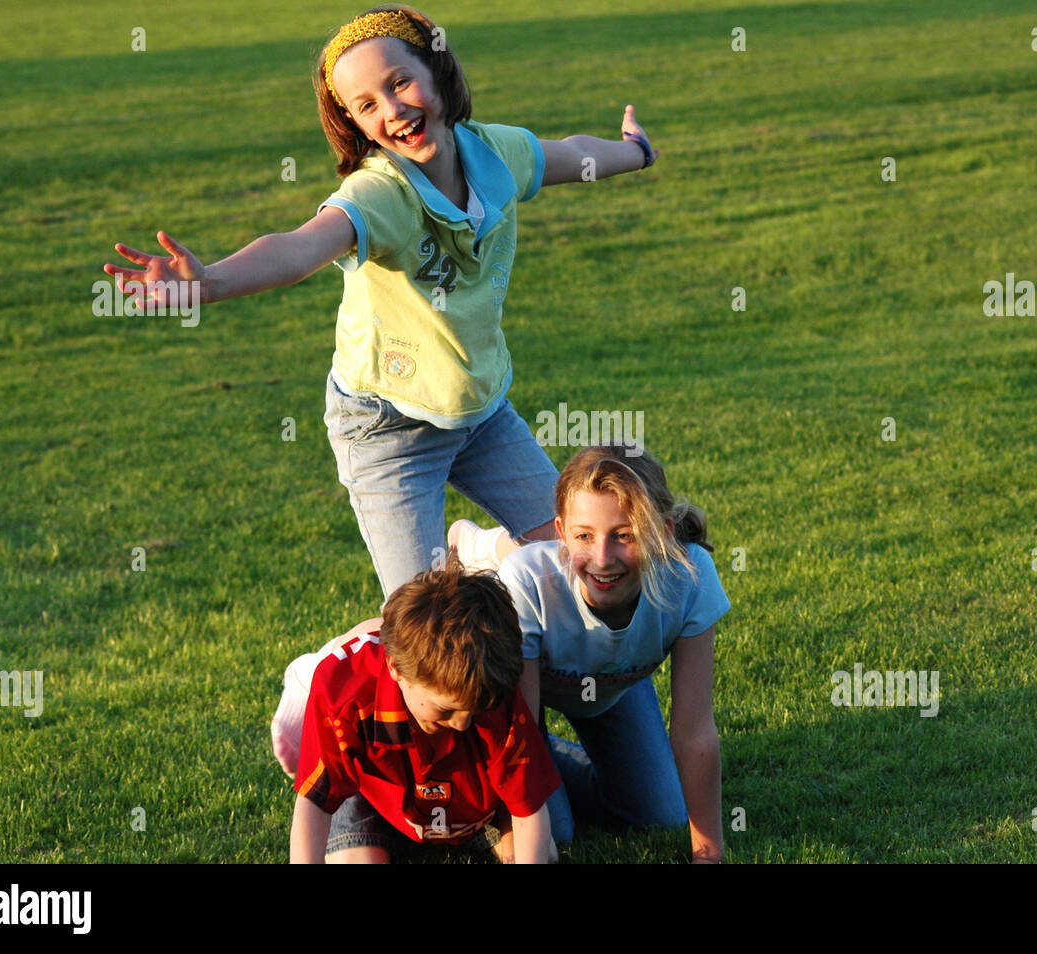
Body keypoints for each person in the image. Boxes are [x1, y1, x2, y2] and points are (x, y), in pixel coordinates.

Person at [102, 5, 659, 605]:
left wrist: (635, 152)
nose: (392, 109)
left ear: (438, 70)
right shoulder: (378, 193)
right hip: (386, 425)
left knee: (570, 567)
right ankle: (467, 579)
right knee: (425, 620)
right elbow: (299, 248)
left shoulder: (496, 154)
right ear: (354, 123)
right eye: (366, 104)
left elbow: (570, 156)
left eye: (399, 82)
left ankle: (486, 553)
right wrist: (209, 281)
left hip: (479, 407)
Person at [460, 444, 730, 863]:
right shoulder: (530, 581)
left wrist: (708, 853)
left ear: (664, 532)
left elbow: (694, 731)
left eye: (624, 536)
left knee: (660, 814)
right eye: (584, 536)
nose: (603, 560)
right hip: (523, 689)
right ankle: (482, 549)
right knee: (557, 831)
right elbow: (523, 730)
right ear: (562, 531)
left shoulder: (689, 577)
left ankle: (571, 757)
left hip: (605, 681)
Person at [283, 560, 560, 863]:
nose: (463, 723)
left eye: (477, 710)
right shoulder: (345, 688)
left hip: (475, 801)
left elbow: (530, 812)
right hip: (375, 793)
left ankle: (552, 759)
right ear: (396, 670)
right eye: (446, 710)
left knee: (542, 852)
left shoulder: (489, 683)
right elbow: (315, 802)